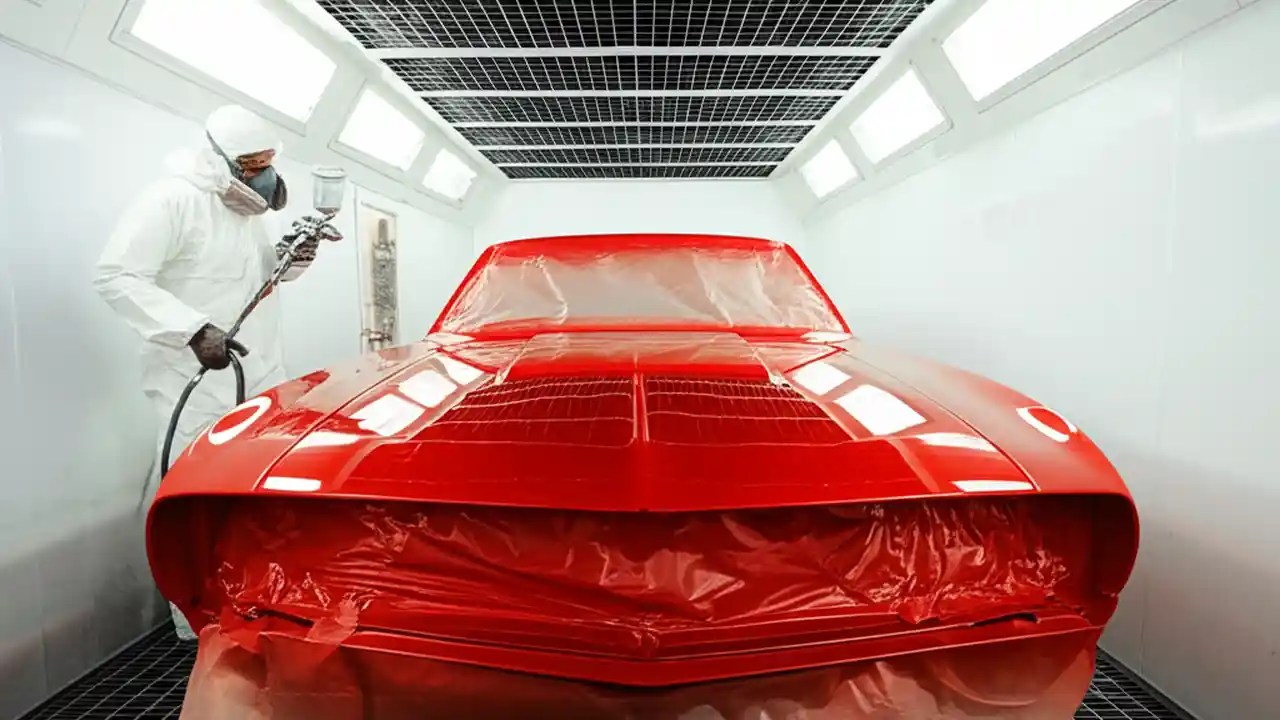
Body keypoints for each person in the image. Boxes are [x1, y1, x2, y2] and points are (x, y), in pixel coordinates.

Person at [94, 104, 319, 640]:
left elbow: (258, 282)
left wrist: (296, 257)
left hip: (259, 375)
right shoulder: (172, 200)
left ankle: (256, 608)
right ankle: (199, 626)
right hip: (192, 384)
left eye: (269, 161)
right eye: (251, 164)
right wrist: (193, 330)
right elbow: (116, 276)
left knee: (257, 499)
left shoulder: (245, 214)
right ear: (218, 160)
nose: (263, 174)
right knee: (195, 500)